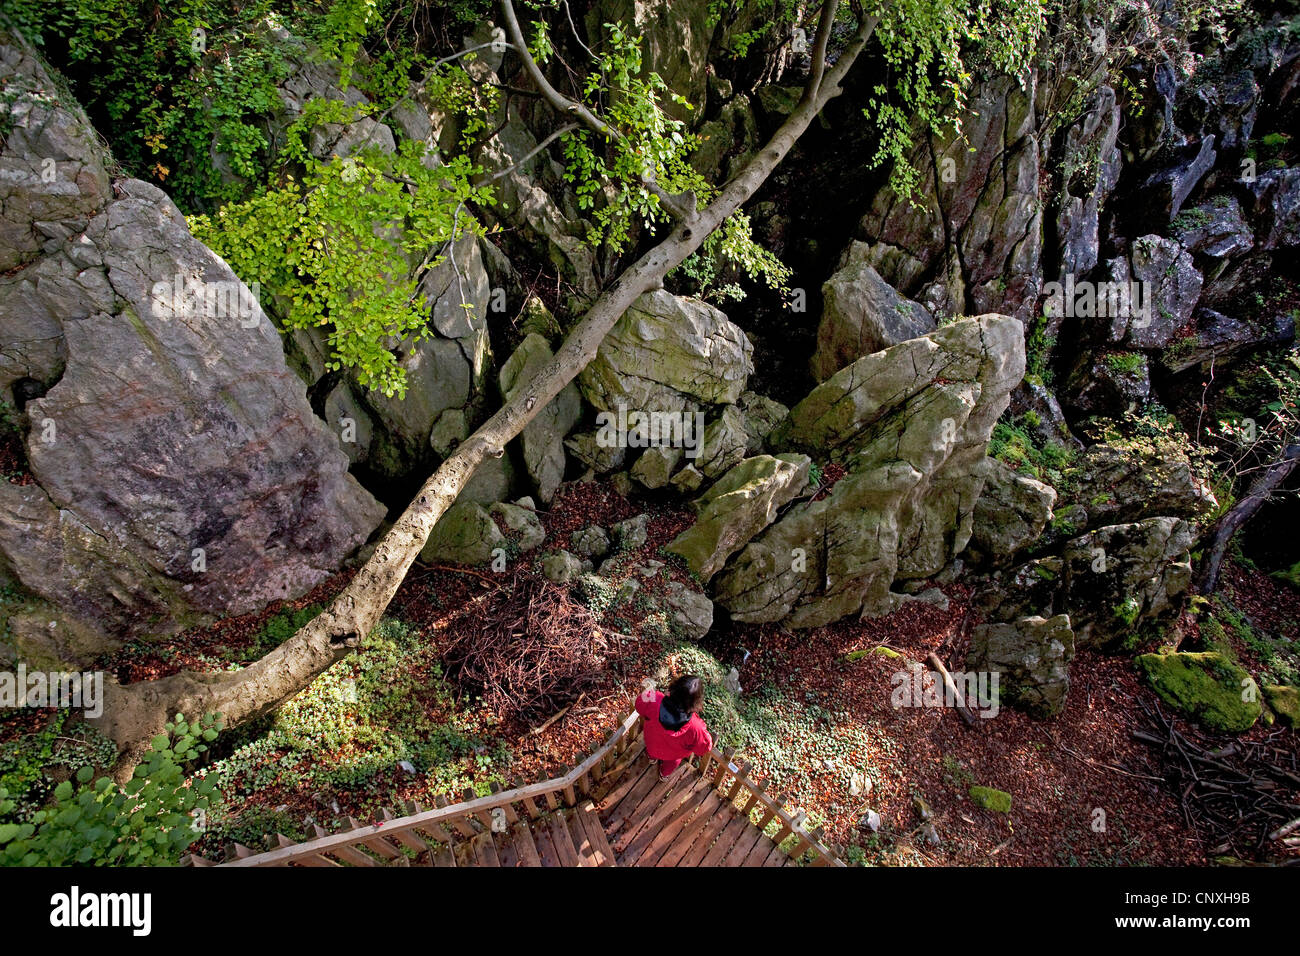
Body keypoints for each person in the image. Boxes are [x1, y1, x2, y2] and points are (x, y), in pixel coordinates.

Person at [635, 675, 714, 779]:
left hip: (652, 743)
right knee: (671, 764)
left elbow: (639, 704)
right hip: (673, 754)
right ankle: (663, 775)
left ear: (673, 688)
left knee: (652, 751)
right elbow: (704, 748)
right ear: (695, 703)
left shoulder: (654, 699)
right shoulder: (696, 728)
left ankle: (651, 758)